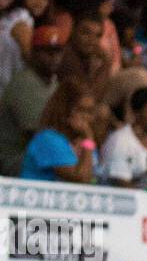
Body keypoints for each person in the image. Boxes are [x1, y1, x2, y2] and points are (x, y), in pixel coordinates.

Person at [0, 24, 63, 175]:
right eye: (47, 52)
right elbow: (38, 135)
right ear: (34, 53)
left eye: (57, 52)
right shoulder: (24, 83)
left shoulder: (54, 82)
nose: (53, 58)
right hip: (13, 159)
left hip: (37, 153)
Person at [20, 80, 97, 183]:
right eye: (82, 110)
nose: (88, 118)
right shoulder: (48, 139)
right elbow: (81, 179)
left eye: (90, 111)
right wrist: (88, 137)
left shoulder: (81, 142)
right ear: (65, 111)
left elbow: (93, 180)